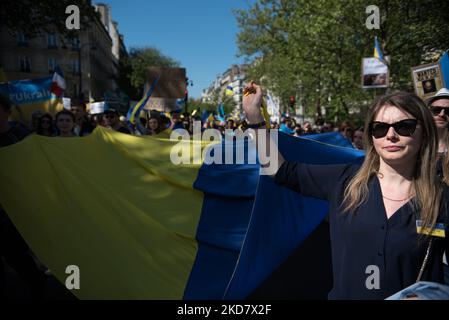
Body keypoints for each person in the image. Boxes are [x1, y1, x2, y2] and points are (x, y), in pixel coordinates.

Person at [243, 83, 449, 299]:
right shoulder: (344, 180)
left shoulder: (442, 200)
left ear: (424, 134)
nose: (390, 135)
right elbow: (281, 171)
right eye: (380, 128)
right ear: (372, 137)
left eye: (404, 126)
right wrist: (254, 117)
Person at [0, 94, 46, 299]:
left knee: (18, 257)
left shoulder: (21, 134)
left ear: (7, 112)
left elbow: (38, 164)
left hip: (16, 212)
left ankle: (40, 287)